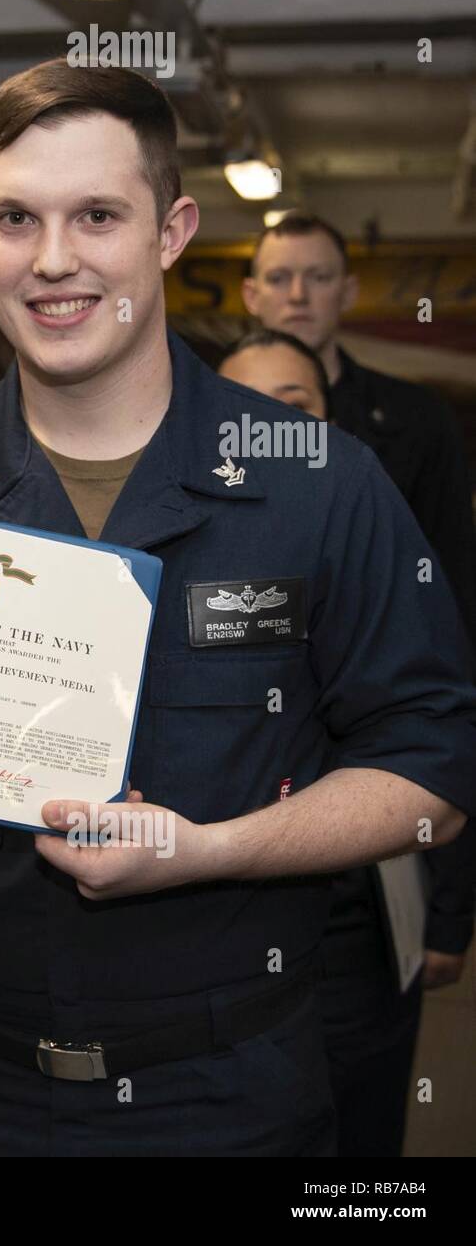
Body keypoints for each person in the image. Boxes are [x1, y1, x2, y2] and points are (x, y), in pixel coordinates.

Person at [0, 58, 475, 1158]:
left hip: (230, 1096)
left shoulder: (315, 483)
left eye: (97, 215)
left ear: (171, 230)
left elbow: (430, 770)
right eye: (14, 218)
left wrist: (213, 850)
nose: (52, 260)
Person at [219, 327, 476, 1157]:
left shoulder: (373, 548)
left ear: (332, 426)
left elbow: (439, 738)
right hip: (205, 932)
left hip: (354, 924)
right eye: (240, 408)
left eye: (292, 408)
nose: (263, 426)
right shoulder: (162, 547)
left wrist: (451, 914)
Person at [241, 212, 476, 648]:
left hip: (389, 661)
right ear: (251, 296)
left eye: (319, 277)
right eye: (278, 278)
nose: (298, 296)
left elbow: (453, 565)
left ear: (348, 292)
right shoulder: (204, 415)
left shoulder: (420, 419)